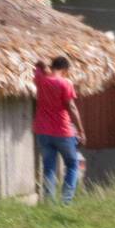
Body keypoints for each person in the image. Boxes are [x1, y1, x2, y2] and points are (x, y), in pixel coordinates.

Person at [33, 55, 86, 204]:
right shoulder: (65, 83)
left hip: (42, 130)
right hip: (63, 131)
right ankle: (66, 201)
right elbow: (72, 107)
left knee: (48, 167)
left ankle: (49, 201)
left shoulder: (41, 80)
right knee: (72, 164)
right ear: (65, 69)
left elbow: (37, 63)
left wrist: (44, 67)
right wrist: (81, 131)